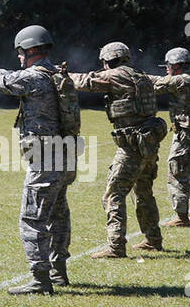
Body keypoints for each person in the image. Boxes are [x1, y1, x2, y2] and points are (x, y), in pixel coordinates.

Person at [0, 24, 77, 293]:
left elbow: (1, 83)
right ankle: (58, 272)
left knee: (32, 218)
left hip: (45, 156)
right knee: (57, 214)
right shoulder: (53, 73)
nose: (19, 56)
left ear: (30, 50)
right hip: (65, 153)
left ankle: (40, 280)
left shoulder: (34, 78)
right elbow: (11, 75)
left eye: (21, 52)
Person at [68, 42, 167, 257]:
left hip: (131, 146)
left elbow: (85, 82)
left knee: (113, 194)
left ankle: (116, 246)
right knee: (143, 192)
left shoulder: (116, 75)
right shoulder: (140, 75)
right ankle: (153, 239)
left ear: (108, 60)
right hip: (148, 144)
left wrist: (62, 74)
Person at [154, 47, 190, 226]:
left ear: (177, 65)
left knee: (177, 172)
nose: (166, 69)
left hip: (186, 134)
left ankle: (181, 217)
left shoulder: (181, 80)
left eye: (168, 65)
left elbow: (156, 86)